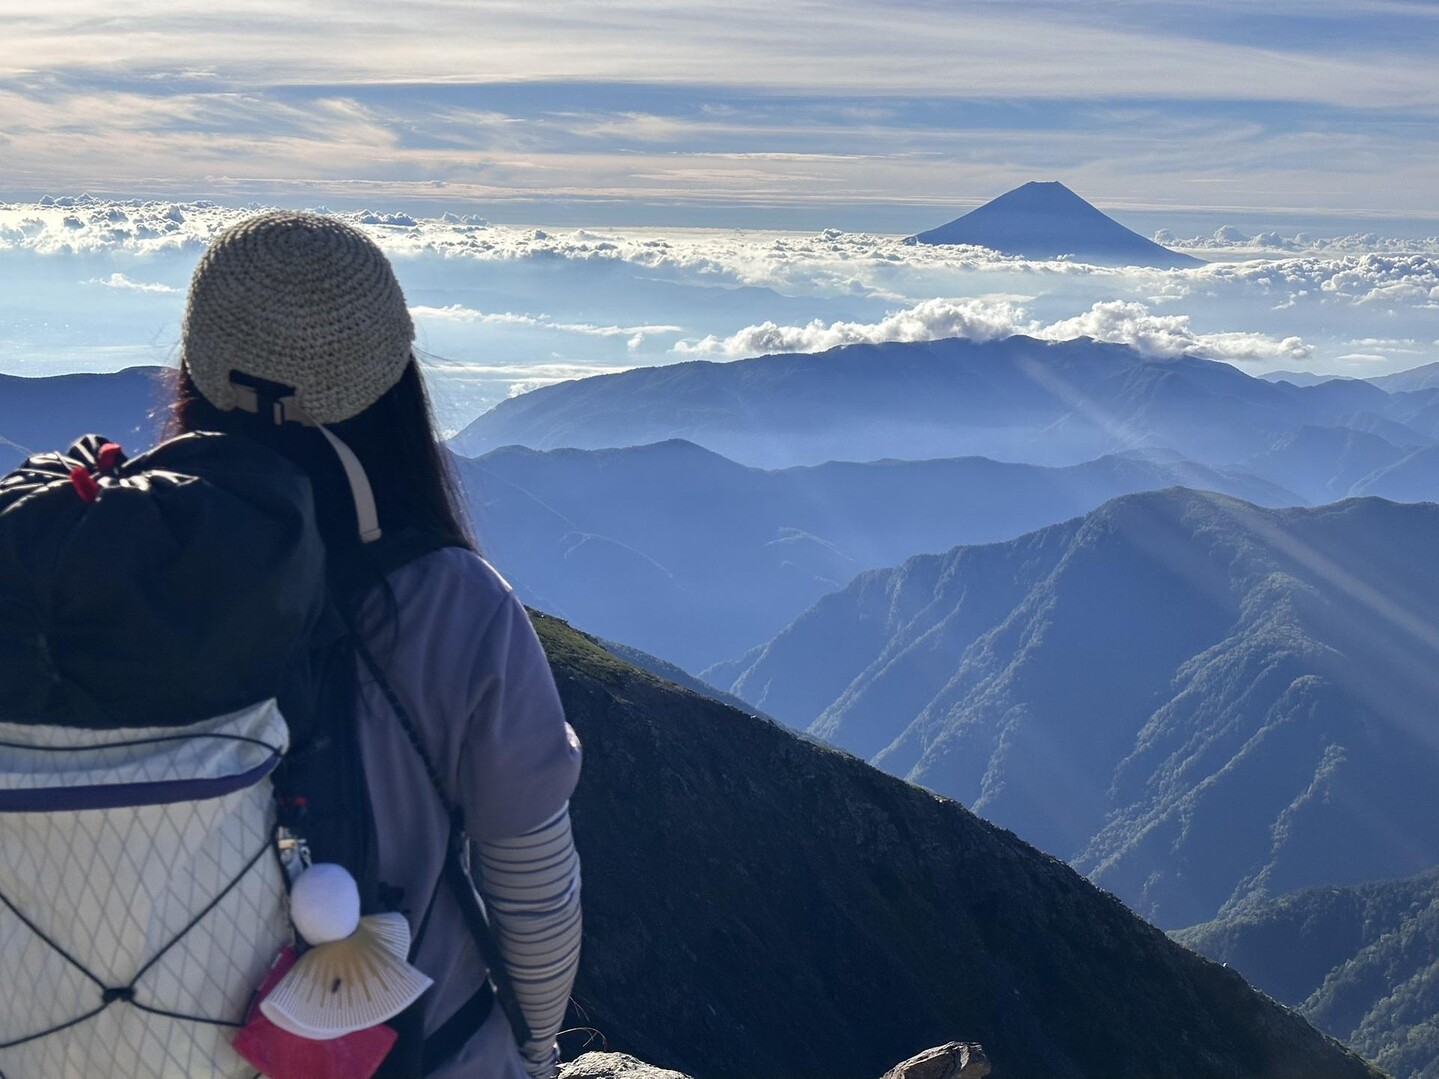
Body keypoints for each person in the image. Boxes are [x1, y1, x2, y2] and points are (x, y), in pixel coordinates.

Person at [168, 211, 583, 1079]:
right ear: (394, 382)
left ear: (196, 371)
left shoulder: (106, 576)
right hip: (420, 1051)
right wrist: (537, 1050)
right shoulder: (453, 604)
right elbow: (533, 895)